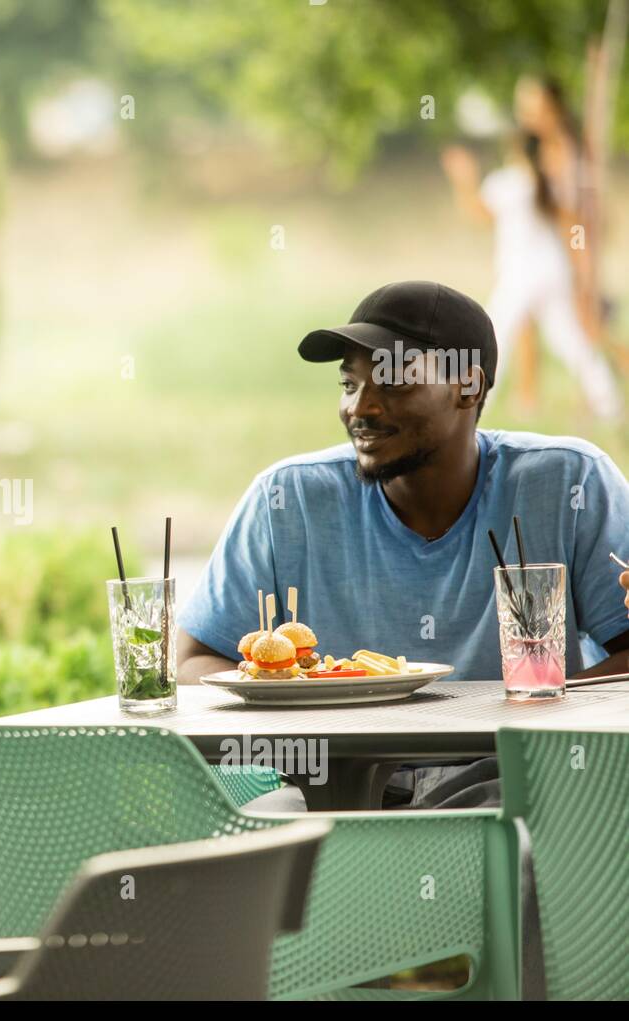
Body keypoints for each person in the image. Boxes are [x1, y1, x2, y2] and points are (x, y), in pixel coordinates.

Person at [176, 280, 629, 810]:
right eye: (349, 385)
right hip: (335, 790)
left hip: (518, 779)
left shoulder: (568, 481)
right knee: (256, 843)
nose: (360, 408)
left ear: (468, 386)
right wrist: (296, 705)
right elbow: (194, 660)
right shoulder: (289, 498)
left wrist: (535, 706)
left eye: (391, 384)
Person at [441, 77, 623, 420]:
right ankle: (609, 403)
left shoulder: (510, 182)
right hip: (554, 271)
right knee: (570, 339)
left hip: (523, 274)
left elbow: (478, 212)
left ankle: (467, 408)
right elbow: (575, 222)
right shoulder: (543, 185)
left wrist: (463, 178)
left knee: (493, 335)